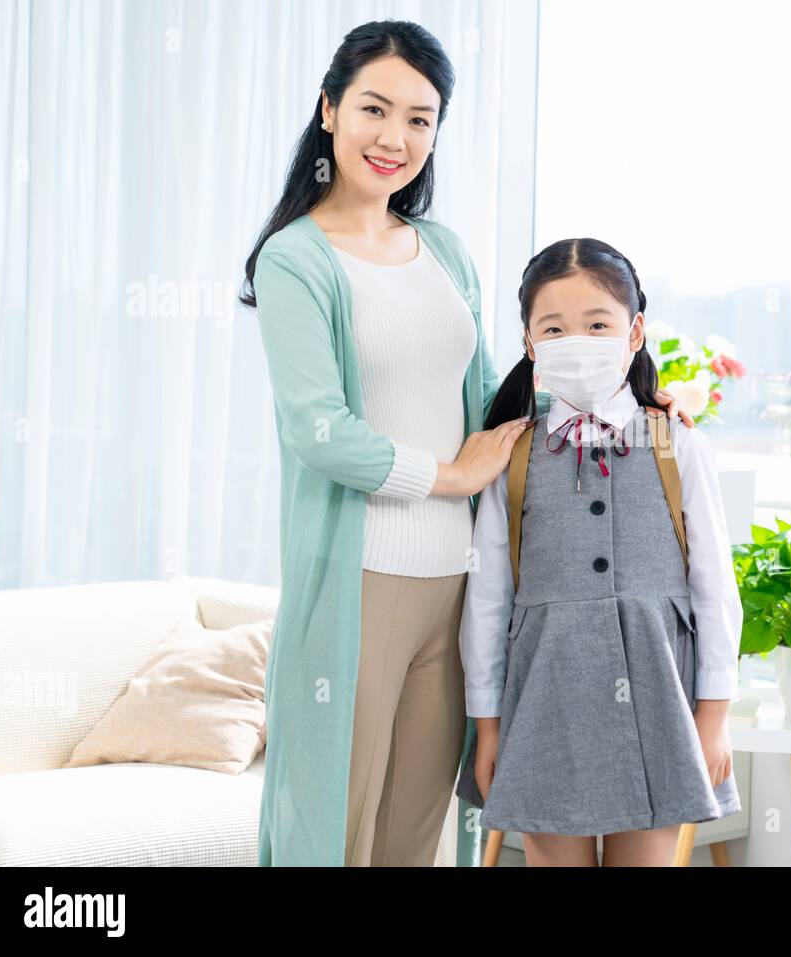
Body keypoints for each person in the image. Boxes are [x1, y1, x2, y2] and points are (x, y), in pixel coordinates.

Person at [240, 20, 690, 867]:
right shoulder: (295, 260)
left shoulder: (442, 250)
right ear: (329, 109)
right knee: (331, 831)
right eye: (375, 109)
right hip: (358, 581)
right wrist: (449, 477)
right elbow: (319, 431)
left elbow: (493, 401)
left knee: (419, 831)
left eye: (421, 118)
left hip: (457, 583)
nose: (395, 137)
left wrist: (631, 394)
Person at [454, 238, 743, 866]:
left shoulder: (678, 446)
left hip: (660, 697)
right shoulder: (513, 456)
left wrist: (715, 715)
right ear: (531, 344)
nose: (576, 339)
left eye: (597, 324)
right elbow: (487, 602)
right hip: (545, 698)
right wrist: (489, 726)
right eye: (553, 327)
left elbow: (716, 588)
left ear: (634, 332)